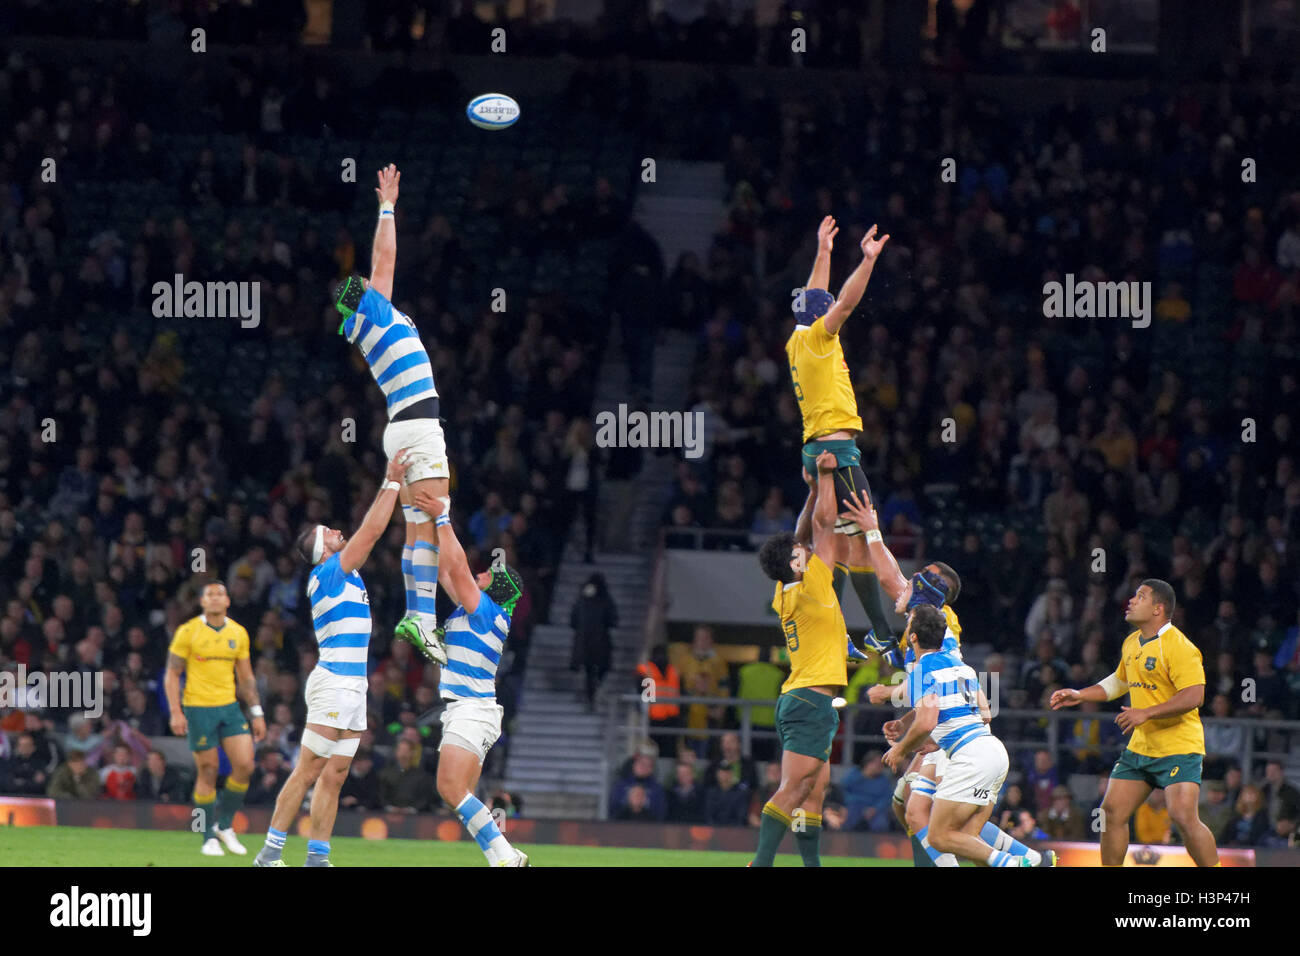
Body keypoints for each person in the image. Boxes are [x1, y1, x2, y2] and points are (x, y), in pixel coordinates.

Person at [253, 451, 410, 867]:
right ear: (324, 549)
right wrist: (391, 481)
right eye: (331, 532)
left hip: (353, 686)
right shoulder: (330, 572)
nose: (340, 531)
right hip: (335, 682)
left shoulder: (345, 573)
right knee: (308, 770)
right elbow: (373, 530)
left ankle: (317, 859)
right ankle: (269, 854)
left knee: (335, 776)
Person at [333, 164, 448, 665]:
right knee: (430, 523)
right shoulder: (373, 312)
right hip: (418, 427)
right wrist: (386, 207)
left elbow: (380, 269)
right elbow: (385, 257)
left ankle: (418, 614)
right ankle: (421, 615)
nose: (369, 279)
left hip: (405, 426)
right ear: (362, 298)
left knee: (419, 522)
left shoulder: (366, 320)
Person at [1051, 579, 1221, 866]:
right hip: (1141, 747)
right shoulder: (1132, 642)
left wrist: (1146, 712)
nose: (1131, 600)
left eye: (1140, 596)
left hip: (1179, 746)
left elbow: (1195, 695)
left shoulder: (1179, 646)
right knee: (1110, 813)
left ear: (1158, 608)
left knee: (1182, 817)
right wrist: (1080, 694)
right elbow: (1119, 681)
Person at [784, 218, 895, 643]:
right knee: (866, 538)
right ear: (819, 317)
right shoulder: (818, 338)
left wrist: (825, 251)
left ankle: (846, 634)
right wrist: (867, 262)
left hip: (816, 450)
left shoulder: (797, 339)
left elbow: (816, 296)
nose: (830, 309)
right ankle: (880, 633)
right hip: (838, 453)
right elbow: (845, 304)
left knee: (842, 546)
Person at [410, 486, 530, 866]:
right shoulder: (477, 609)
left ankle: (504, 855)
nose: (480, 572)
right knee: (457, 793)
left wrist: (443, 517)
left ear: (494, 589)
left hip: (471, 709)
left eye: (487, 574)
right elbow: (448, 569)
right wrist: (427, 523)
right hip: (469, 708)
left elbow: (458, 568)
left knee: (450, 788)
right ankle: (505, 856)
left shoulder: (486, 613)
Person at [881, 605, 1031, 867]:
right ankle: (1028, 859)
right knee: (968, 838)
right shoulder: (964, 668)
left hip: (970, 758)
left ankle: (1015, 862)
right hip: (994, 752)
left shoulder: (920, 673)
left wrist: (901, 749)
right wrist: (933, 738)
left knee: (938, 835)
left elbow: (926, 720)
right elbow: (983, 713)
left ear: (913, 637)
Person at [750, 451, 844, 866]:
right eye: (798, 551)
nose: (804, 549)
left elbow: (801, 533)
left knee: (813, 791)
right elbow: (823, 525)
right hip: (810, 701)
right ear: (795, 562)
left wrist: (809, 492)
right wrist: (825, 478)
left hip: (804, 700)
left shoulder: (786, 591)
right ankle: (762, 862)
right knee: (792, 791)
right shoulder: (813, 585)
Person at [164, 580, 266, 857]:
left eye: (221, 593)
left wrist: (256, 712)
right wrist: (175, 711)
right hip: (198, 708)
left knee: (245, 765)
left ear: (228, 601)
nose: (216, 598)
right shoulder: (188, 632)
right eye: (210, 594)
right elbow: (172, 674)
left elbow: (246, 677)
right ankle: (207, 835)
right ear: (202, 602)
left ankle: (225, 825)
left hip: (229, 707)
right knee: (207, 769)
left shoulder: (239, 633)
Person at [569, 572, 617, 711]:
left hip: (584, 642)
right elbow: (613, 620)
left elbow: (573, 621)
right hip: (601, 642)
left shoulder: (582, 600)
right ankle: (595, 692)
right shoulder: (605, 599)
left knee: (589, 671)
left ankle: (591, 696)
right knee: (601, 668)